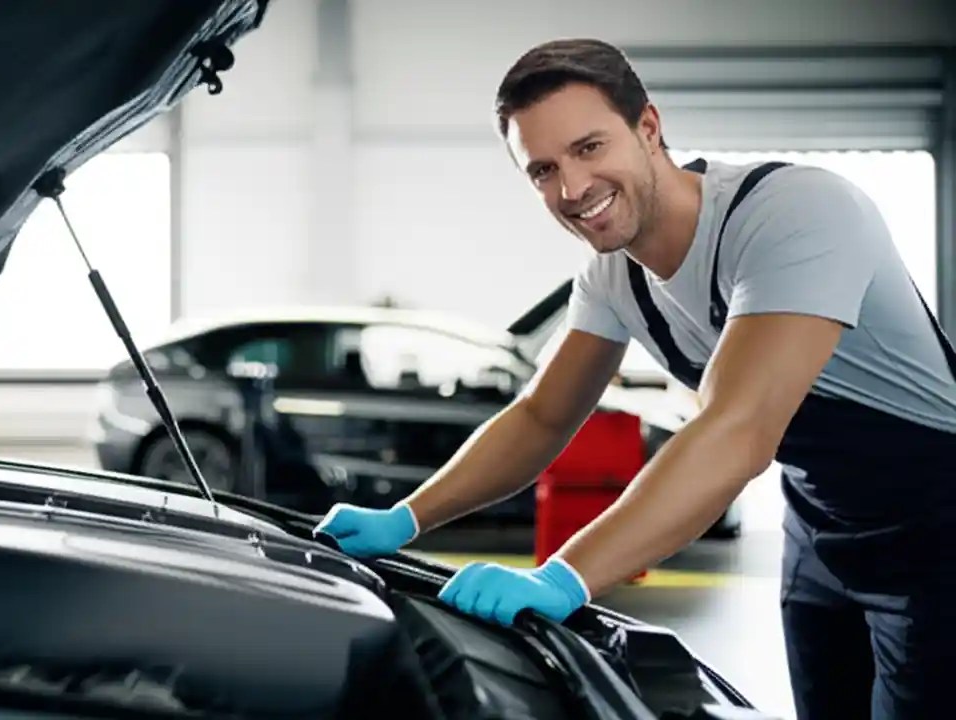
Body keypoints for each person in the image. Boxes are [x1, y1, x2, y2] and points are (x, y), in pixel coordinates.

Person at [313, 38, 956, 720]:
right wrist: (407, 517)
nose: (571, 189)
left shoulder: (795, 213)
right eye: (542, 170)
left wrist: (567, 576)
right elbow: (542, 418)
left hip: (939, 520)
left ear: (649, 128)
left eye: (589, 148)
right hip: (820, 523)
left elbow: (737, 432)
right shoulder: (613, 274)